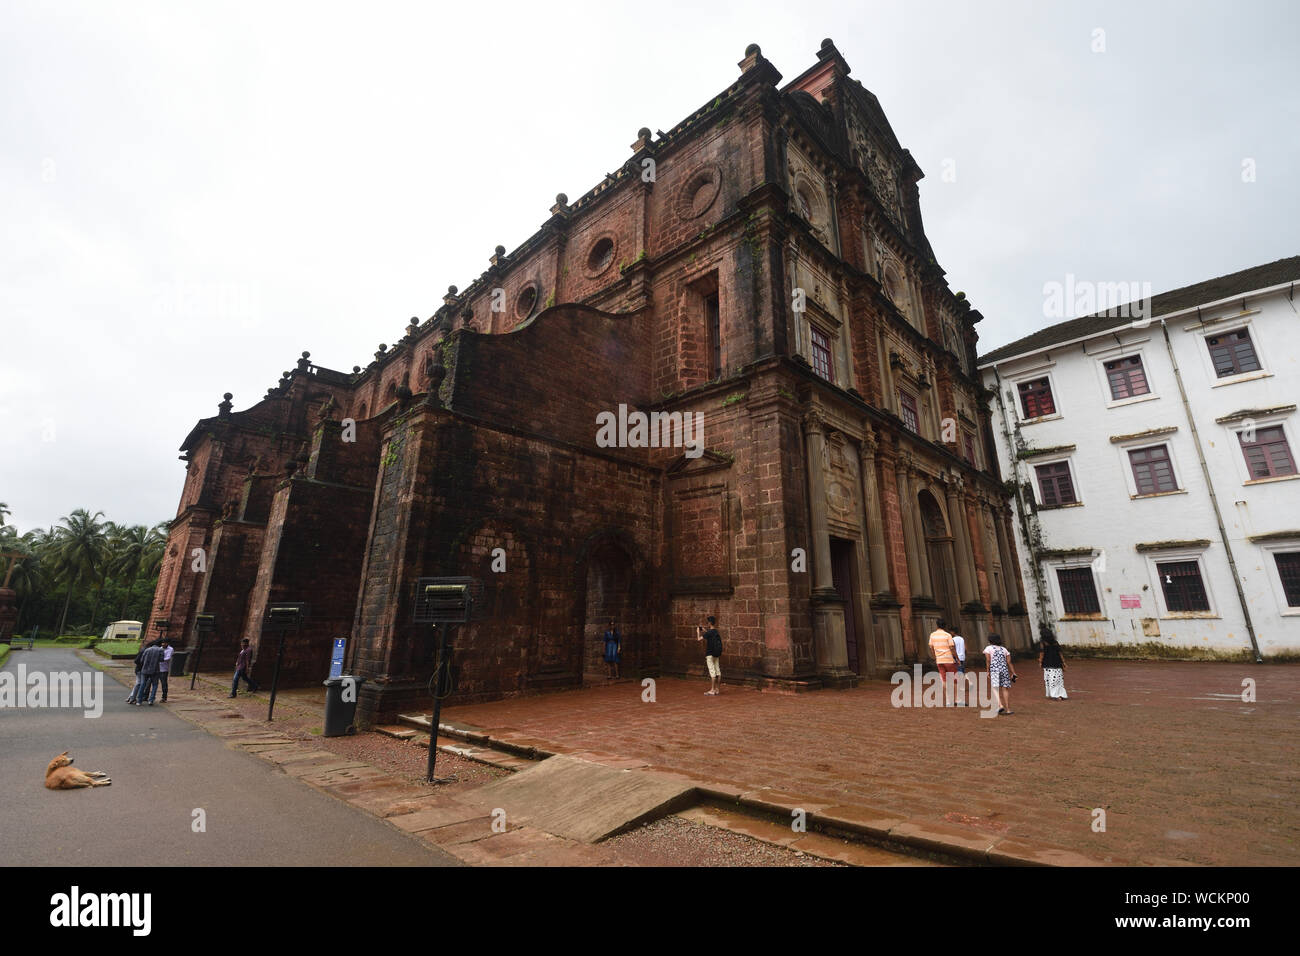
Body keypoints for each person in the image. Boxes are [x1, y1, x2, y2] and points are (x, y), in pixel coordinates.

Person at [927, 618, 960, 706]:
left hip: (939, 660)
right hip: (948, 659)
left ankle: (948, 700)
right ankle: (956, 699)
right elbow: (952, 648)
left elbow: (931, 647)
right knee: (955, 680)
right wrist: (957, 659)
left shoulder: (932, 635)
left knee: (944, 679)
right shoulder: (947, 635)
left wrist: (935, 656)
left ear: (937, 625)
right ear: (945, 626)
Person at [984, 632, 1018, 715]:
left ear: (990, 640)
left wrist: (987, 671)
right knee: (1005, 689)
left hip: (994, 670)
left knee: (995, 688)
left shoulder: (988, 648)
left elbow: (988, 660)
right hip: (1004, 670)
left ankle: (1000, 705)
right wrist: (1013, 673)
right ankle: (1008, 709)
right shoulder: (1004, 649)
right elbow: (1009, 662)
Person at [696, 615, 723, 696]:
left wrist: (698, 632)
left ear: (710, 623)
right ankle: (717, 689)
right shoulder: (715, 631)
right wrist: (704, 631)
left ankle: (712, 690)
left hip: (710, 654)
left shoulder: (709, 633)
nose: (707, 623)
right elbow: (709, 635)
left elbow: (699, 639)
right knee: (718, 671)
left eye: (707, 622)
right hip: (716, 654)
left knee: (712, 672)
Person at [1039, 627, 1069, 700]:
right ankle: (1061, 694)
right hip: (1057, 663)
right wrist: (1063, 662)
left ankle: (1055, 695)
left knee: (1050, 680)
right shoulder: (1055, 642)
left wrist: (1040, 661)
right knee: (1059, 680)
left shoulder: (1043, 643)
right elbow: (1060, 653)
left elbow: (1042, 653)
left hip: (1048, 664)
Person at [126, 639, 157, 704]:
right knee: (139, 683)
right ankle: (132, 698)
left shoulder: (144, 649)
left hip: (141, 669)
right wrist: (143, 665)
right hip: (140, 670)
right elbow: (137, 661)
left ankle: (131, 697)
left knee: (139, 683)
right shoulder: (144, 650)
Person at [136, 640, 166, 706]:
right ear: (159, 645)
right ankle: (151, 700)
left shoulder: (147, 650)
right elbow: (162, 660)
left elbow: (142, 660)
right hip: (155, 670)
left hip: (145, 670)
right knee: (155, 685)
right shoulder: (160, 650)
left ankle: (139, 700)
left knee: (143, 684)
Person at [148, 637, 173, 704]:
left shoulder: (170, 649)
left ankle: (164, 697)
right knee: (150, 682)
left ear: (168, 643)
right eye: (162, 643)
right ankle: (148, 696)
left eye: (164, 643)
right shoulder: (160, 648)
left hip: (164, 669)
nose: (163, 644)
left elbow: (168, 658)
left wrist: (159, 659)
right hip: (156, 668)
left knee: (164, 683)